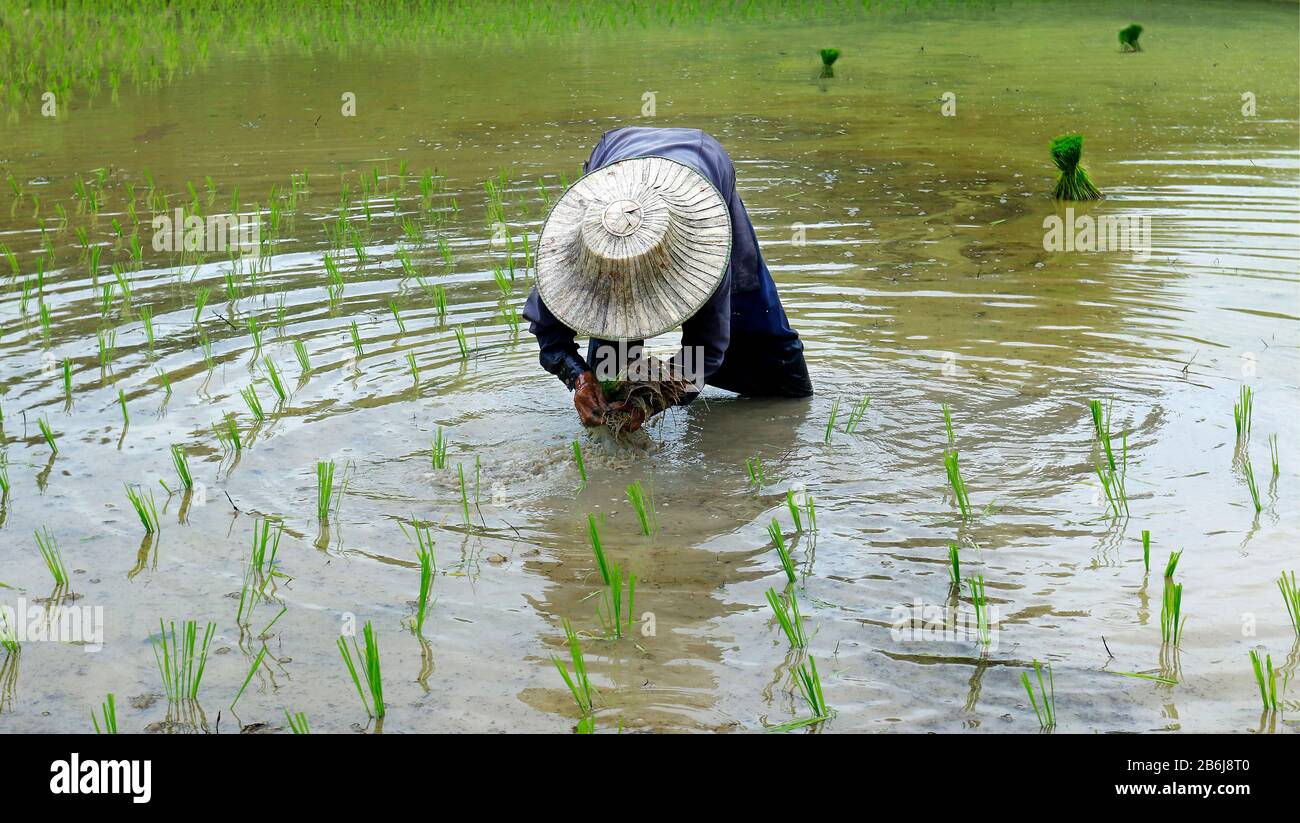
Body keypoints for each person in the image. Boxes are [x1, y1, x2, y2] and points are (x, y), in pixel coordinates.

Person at [523, 126, 812, 431]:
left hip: (701, 165)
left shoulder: (705, 246)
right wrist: (580, 378)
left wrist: (650, 398)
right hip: (615, 164)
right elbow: (549, 333)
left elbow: (707, 348)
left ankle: (785, 398)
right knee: (609, 365)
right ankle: (609, 403)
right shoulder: (576, 254)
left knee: (746, 307)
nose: (631, 296)